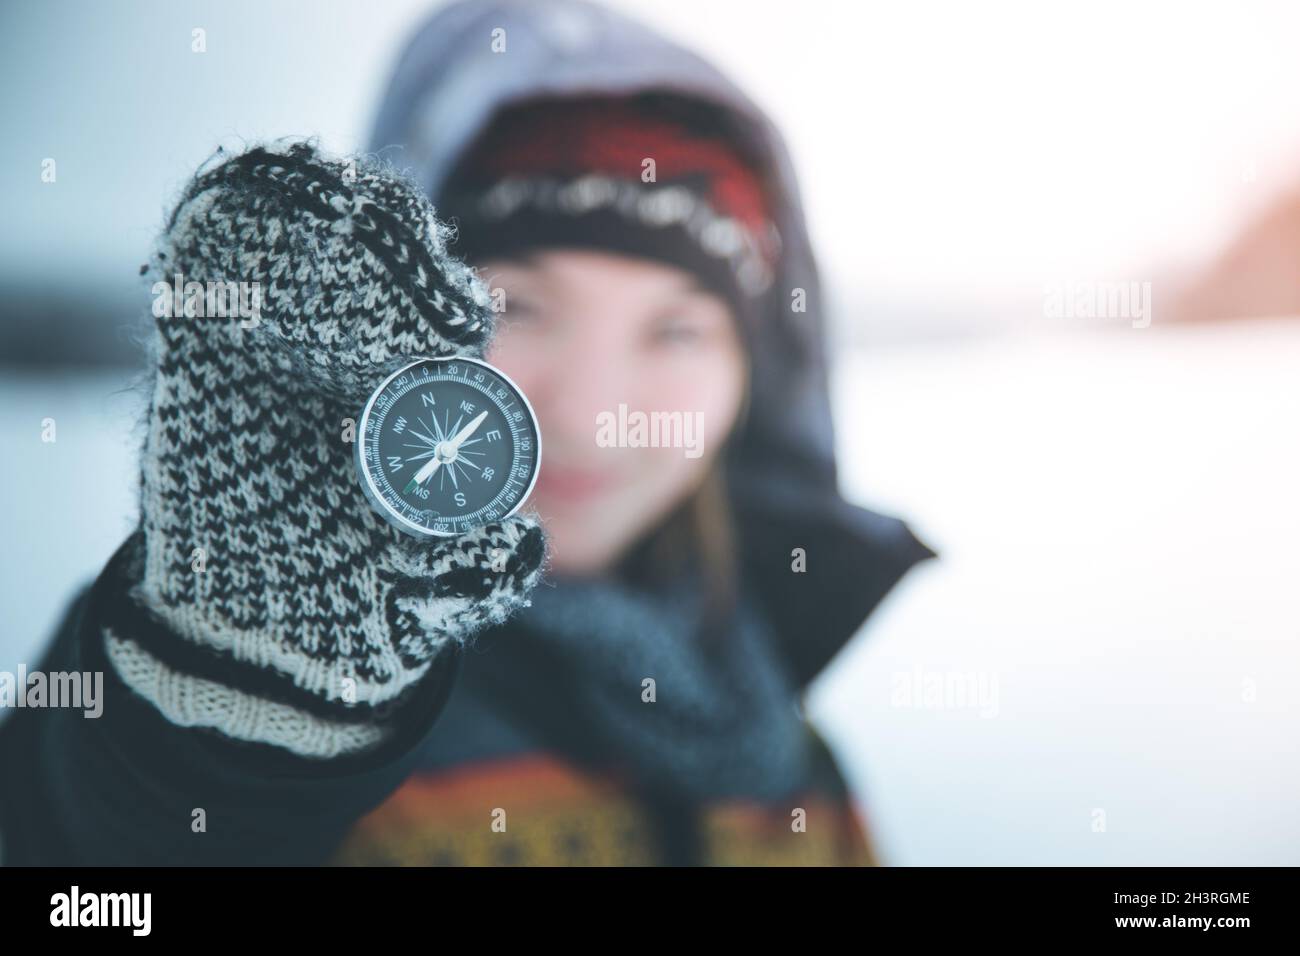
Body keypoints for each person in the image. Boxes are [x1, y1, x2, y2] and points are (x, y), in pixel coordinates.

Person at [0, 0, 931, 866]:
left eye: (678, 329)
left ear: (752, 379)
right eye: (517, 303)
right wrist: (226, 728)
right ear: (395, 327)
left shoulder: (774, 720)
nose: (590, 408)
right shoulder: (243, 666)